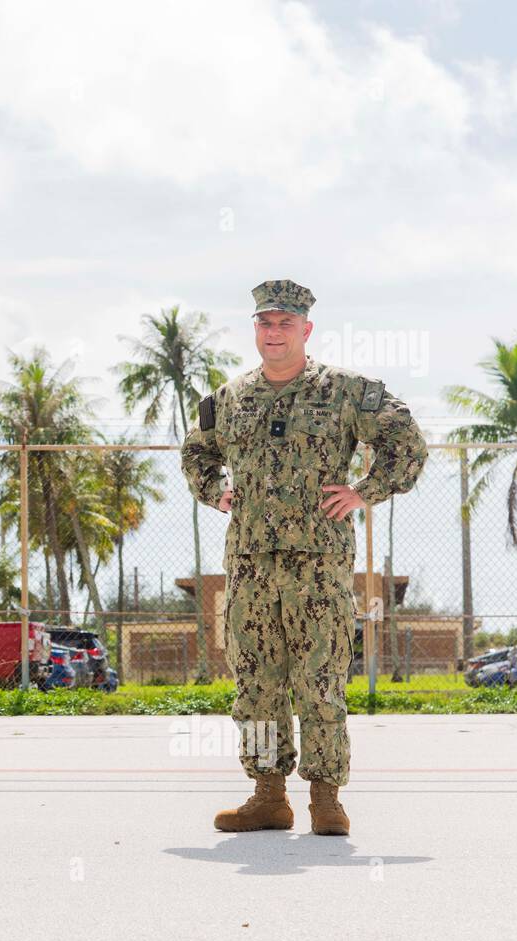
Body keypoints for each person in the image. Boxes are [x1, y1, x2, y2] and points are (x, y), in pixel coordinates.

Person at [180, 279, 427, 836]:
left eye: (285, 323)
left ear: (306, 330)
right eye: (265, 323)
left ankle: (324, 798)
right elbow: (196, 450)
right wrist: (214, 489)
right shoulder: (230, 398)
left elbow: (407, 442)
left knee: (320, 677)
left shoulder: (343, 391)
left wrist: (366, 489)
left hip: (318, 563)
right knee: (257, 679)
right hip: (250, 563)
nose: (274, 332)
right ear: (256, 330)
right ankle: (268, 796)